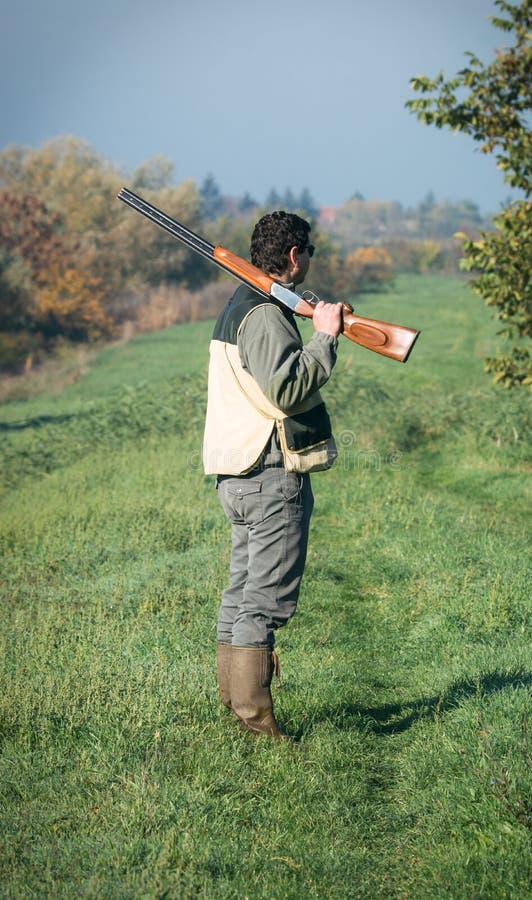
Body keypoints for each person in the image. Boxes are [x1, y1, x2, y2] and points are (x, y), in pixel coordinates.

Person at [202, 210, 343, 739]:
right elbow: (286, 389)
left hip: (240, 475)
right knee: (262, 604)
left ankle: (237, 710)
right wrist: (325, 338)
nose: (310, 261)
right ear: (293, 256)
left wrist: (312, 321)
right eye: (309, 252)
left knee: (241, 596)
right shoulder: (262, 313)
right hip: (267, 475)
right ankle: (258, 725)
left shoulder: (242, 305)